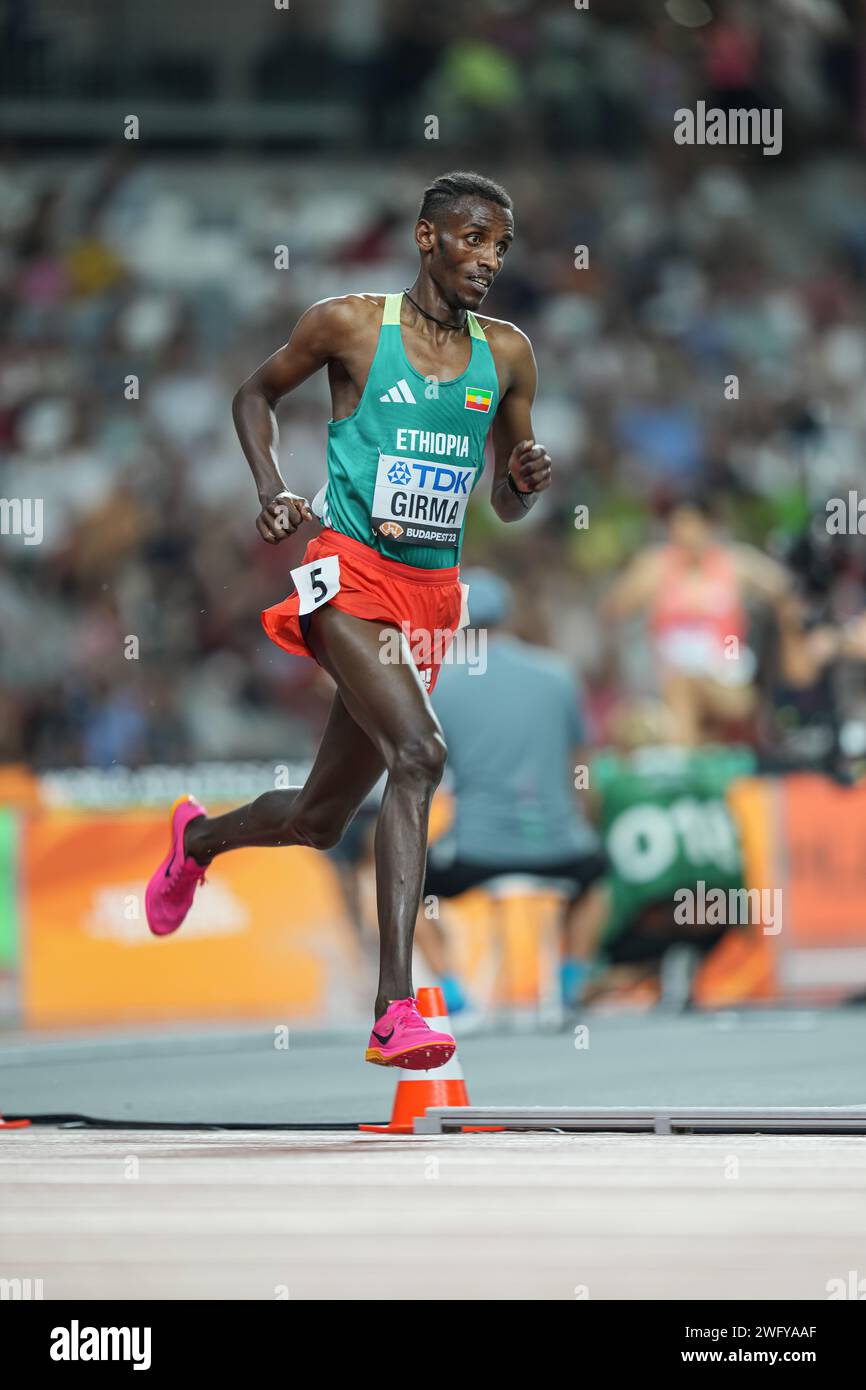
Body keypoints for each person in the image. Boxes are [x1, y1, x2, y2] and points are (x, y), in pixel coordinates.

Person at [144, 171, 552, 1070]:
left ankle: (198, 839)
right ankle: (394, 1010)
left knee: (322, 818)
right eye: (473, 238)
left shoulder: (509, 355)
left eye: (501, 246)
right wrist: (272, 489)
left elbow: (506, 500)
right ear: (425, 237)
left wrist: (517, 484)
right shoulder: (350, 325)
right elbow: (254, 394)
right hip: (348, 571)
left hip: (434, 595)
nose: (487, 259)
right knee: (422, 753)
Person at [417, 569, 607, 1016]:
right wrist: (581, 825)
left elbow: (422, 772)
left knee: (402, 883)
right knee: (596, 880)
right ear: (509, 615)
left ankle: (452, 990)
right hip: (558, 847)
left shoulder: (439, 682)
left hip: (476, 853)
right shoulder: (558, 674)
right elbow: (583, 767)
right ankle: (569, 980)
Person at [602, 495, 791, 745]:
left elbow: (784, 588)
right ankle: (687, 755)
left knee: (685, 687)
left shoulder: (735, 564)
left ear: (709, 526)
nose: (684, 534)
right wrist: (641, 582)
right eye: (677, 526)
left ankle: (683, 756)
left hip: (727, 676)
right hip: (671, 681)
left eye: (690, 525)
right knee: (676, 690)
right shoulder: (657, 567)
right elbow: (612, 610)